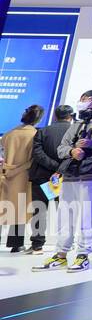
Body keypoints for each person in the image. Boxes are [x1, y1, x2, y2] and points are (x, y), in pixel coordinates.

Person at [34, 90, 92, 272]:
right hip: (71, 174)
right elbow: (62, 147)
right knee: (65, 214)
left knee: (88, 215)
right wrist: (71, 152)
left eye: (84, 99)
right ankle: (61, 254)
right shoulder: (77, 123)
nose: (81, 102)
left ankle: (83, 255)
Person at [27, 104, 74, 254]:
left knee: (39, 211)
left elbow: (38, 154)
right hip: (64, 177)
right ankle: (66, 244)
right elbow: (74, 154)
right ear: (70, 117)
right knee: (66, 211)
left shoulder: (43, 131)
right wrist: (59, 169)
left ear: (55, 116)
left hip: (41, 175)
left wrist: (53, 167)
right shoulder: (75, 132)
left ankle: (37, 246)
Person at [1, 105, 44, 251]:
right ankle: (16, 244)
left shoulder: (9, 133)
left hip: (5, 174)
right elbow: (34, 158)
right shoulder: (35, 134)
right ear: (38, 118)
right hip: (24, 175)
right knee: (19, 210)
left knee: (2, 209)